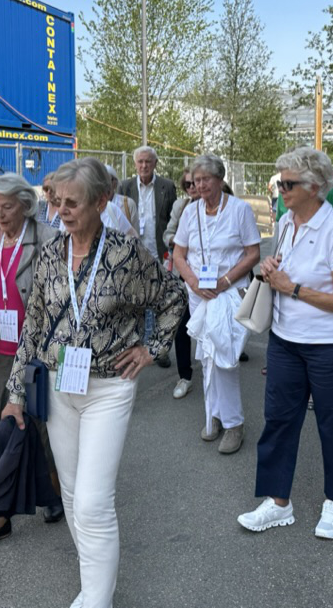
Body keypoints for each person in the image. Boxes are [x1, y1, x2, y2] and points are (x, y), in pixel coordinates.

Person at [2, 158, 185, 608]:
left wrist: (151, 349)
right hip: (61, 387)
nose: (62, 210)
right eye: (56, 201)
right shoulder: (49, 255)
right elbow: (34, 326)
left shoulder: (126, 254)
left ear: (102, 202)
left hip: (108, 388)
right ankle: (93, 582)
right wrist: (15, 394)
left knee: (92, 500)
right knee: (70, 494)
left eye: (73, 202)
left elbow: (173, 297)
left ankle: (97, 599)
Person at [237, 148, 333, 540]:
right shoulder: (288, 222)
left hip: (331, 346)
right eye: (279, 183)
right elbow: (281, 272)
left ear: (314, 187)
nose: (281, 190)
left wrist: (291, 287)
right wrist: (270, 269)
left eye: (288, 184)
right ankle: (278, 502)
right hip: (285, 341)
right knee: (278, 421)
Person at [0, 173, 63, 554]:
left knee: (41, 428)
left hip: (37, 349)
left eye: (7, 207)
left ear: (25, 204)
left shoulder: (49, 239)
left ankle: (53, 492)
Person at [172, 155, 261, 455]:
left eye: (205, 179)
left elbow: (252, 254)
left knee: (224, 356)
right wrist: (195, 283)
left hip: (228, 293)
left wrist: (223, 281)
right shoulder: (190, 211)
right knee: (206, 357)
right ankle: (215, 414)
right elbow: (178, 254)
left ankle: (234, 424)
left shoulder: (239, 210)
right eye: (195, 180)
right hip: (199, 295)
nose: (199, 185)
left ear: (220, 180)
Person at [117, 146, 178, 369]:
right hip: (133, 254)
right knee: (135, 301)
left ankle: (159, 349)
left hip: (158, 251)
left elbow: (173, 220)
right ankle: (135, 346)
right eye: (140, 162)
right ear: (135, 164)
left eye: (148, 162)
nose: (144, 166)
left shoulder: (167, 187)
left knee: (160, 301)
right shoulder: (125, 187)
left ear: (155, 163)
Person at [164, 169, 199, 399]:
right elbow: (168, 233)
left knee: (211, 327)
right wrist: (177, 242)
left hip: (211, 278)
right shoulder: (181, 206)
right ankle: (184, 376)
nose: (192, 188)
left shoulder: (225, 204)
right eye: (188, 185)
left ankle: (219, 372)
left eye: (195, 183)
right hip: (183, 272)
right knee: (181, 325)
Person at [106, 165, 138, 231]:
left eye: (107, 180)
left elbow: (135, 235)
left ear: (115, 183)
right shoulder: (92, 207)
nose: (104, 185)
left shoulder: (128, 204)